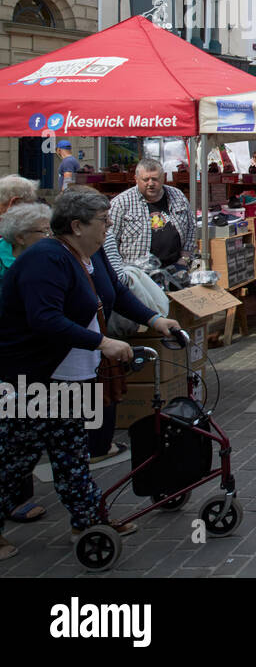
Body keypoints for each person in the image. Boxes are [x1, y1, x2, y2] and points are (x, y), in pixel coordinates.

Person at [0, 189, 182, 561]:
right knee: (16, 458)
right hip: (33, 375)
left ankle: (87, 522)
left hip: (69, 372)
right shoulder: (46, 258)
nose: (109, 228)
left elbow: (115, 291)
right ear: (76, 225)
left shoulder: (89, 254)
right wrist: (102, 343)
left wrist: (153, 318)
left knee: (70, 453)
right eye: (103, 221)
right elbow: (44, 319)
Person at [0, 198, 50, 526]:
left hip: (29, 369)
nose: (49, 236)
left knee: (24, 439)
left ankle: (17, 501)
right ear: (20, 237)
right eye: (42, 231)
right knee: (16, 441)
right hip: (14, 369)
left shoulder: (34, 263)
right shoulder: (15, 268)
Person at [106, 157, 196, 275]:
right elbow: (109, 241)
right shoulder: (121, 203)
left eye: (155, 179)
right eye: (146, 179)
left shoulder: (177, 196)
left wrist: (184, 259)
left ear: (163, 178)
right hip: (137, 274)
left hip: (175, 269)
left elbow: (191, 228)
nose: (151, 184)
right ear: (136, 179)